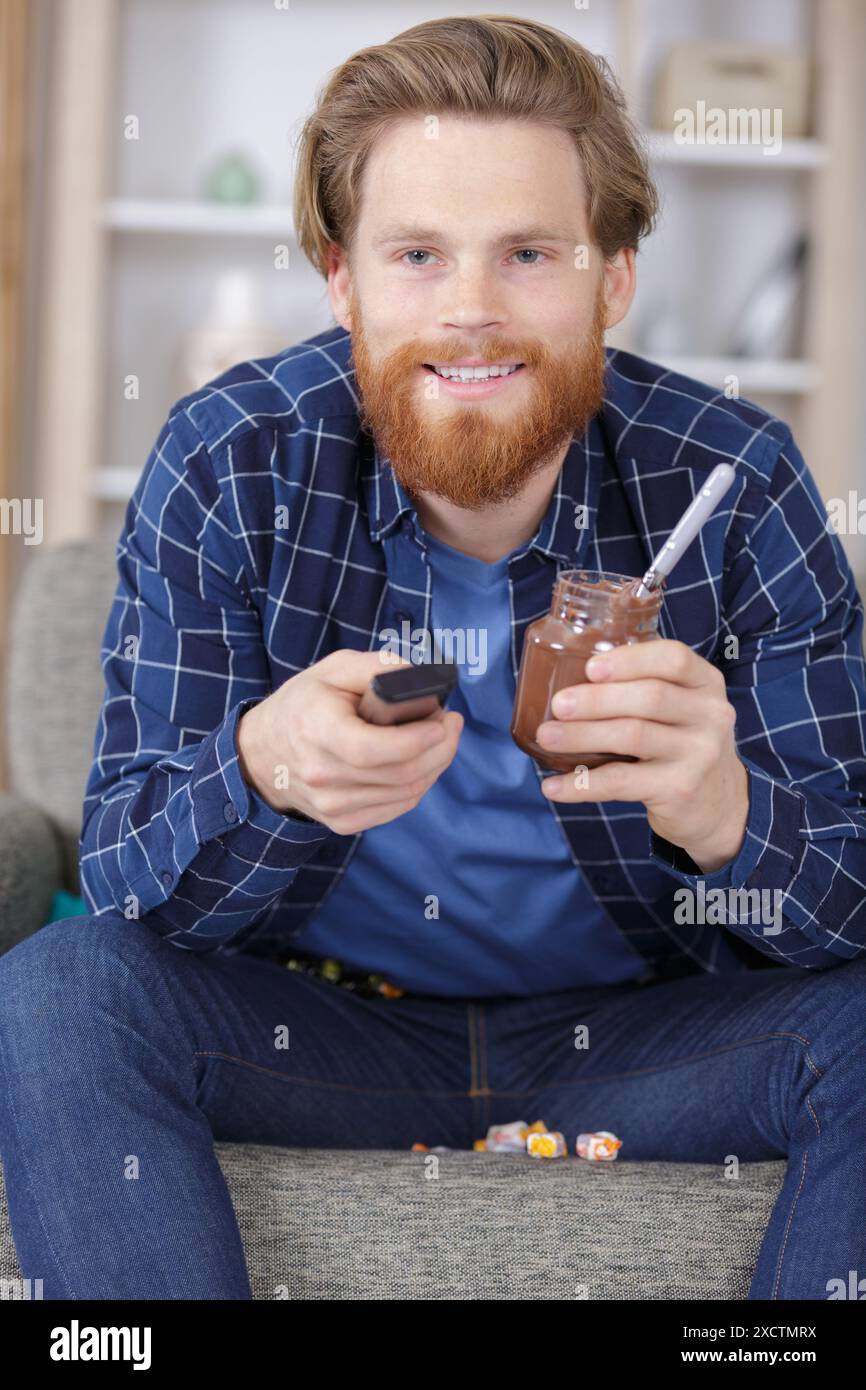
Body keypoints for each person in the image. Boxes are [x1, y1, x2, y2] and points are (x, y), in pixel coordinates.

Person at [1, 15, 865, 1301]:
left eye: (529, 253)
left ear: (612, 276)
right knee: (60, 987)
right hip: (311, 1028)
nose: (470, 312)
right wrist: (262, 768)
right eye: (416, 254)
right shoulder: (229, 459)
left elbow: (850, 895)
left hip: (638, 1036)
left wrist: (732, 814)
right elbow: (123, 870)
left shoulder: (737, 484)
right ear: (342, 279)